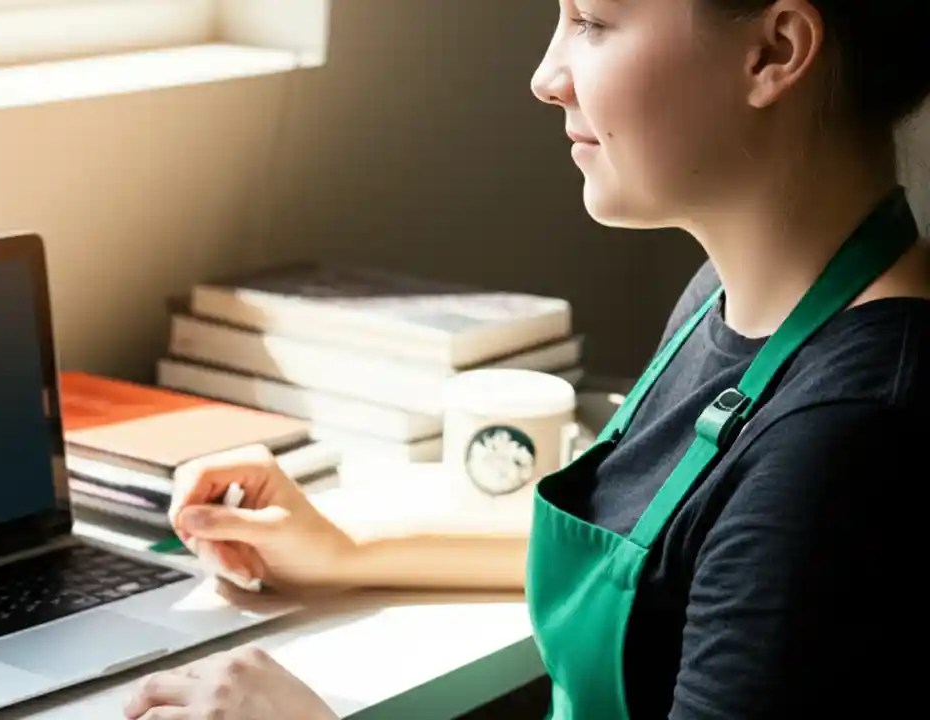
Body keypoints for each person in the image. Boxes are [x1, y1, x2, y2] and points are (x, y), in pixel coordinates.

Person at [123, 0, 930, 717]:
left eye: (592, 22)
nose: (548, 76)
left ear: (775, 51)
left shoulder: (848, 434)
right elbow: (674, 556)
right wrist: (348, 548)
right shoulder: (732, 296)